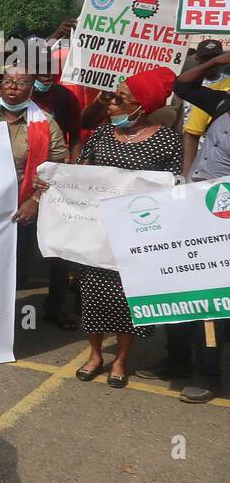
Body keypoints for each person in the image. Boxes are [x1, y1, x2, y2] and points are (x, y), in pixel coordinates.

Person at [38, 67, 184, 389]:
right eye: (113, 98)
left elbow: (174, 188)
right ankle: (94, 355)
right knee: (93, 299)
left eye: (120, 99)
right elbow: (79, 173)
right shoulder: (104, 133)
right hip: (95, 234)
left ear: (141, 107)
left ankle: (120, 359)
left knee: (126, 301)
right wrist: (54, 184)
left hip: (135, 238)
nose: (111, 105)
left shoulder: (167, 143)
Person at [146, 48, 230, 397]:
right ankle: (177, 358)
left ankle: (207, 373)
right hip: (193, 211)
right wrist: (215, 63)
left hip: (222, 223)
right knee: (177, 289)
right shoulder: (222, 103)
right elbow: (182, 86)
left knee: (210, 302)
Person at [0, 68, 71, 325]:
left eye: (20, 83)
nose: (12, 87)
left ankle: (8, 321)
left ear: (31, 89)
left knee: (16, 271)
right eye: (8, 82)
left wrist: (34, 200)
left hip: (21, 208)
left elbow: (56, 170)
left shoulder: (45, 122)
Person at [180, 40, 230, 180]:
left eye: (215, 57)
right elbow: (191, 133)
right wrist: (186, 177)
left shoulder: (226, 84)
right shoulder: (220, 100)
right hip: (198, 164)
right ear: (197, 59)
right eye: (206, 59)